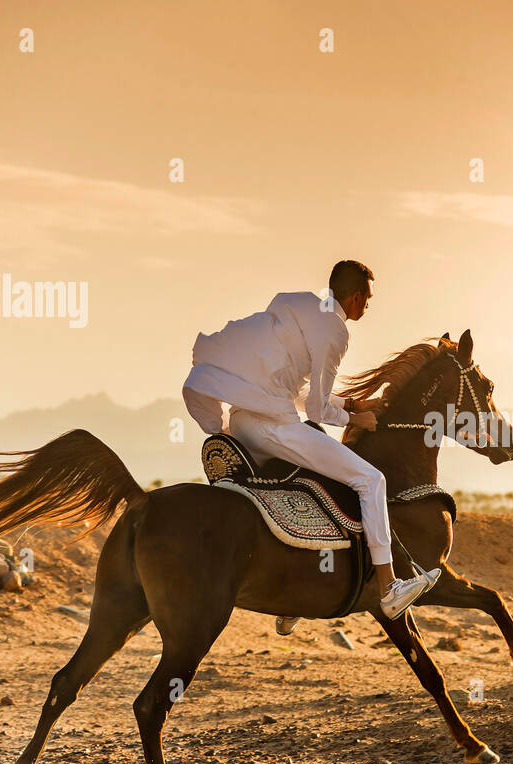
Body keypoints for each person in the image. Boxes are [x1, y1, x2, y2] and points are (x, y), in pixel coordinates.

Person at [182, 260, 438, 621]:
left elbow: (296, 389)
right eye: (368, 298)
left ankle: (297, 595)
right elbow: (316, 409)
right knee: (371, 479)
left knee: (307, 477)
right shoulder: (335, 330)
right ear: (354, 298)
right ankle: (389, 586)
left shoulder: (299, 309)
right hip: (275, 427)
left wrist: (351, 402)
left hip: (242, 425)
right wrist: (355, 418)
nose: (368, 306)